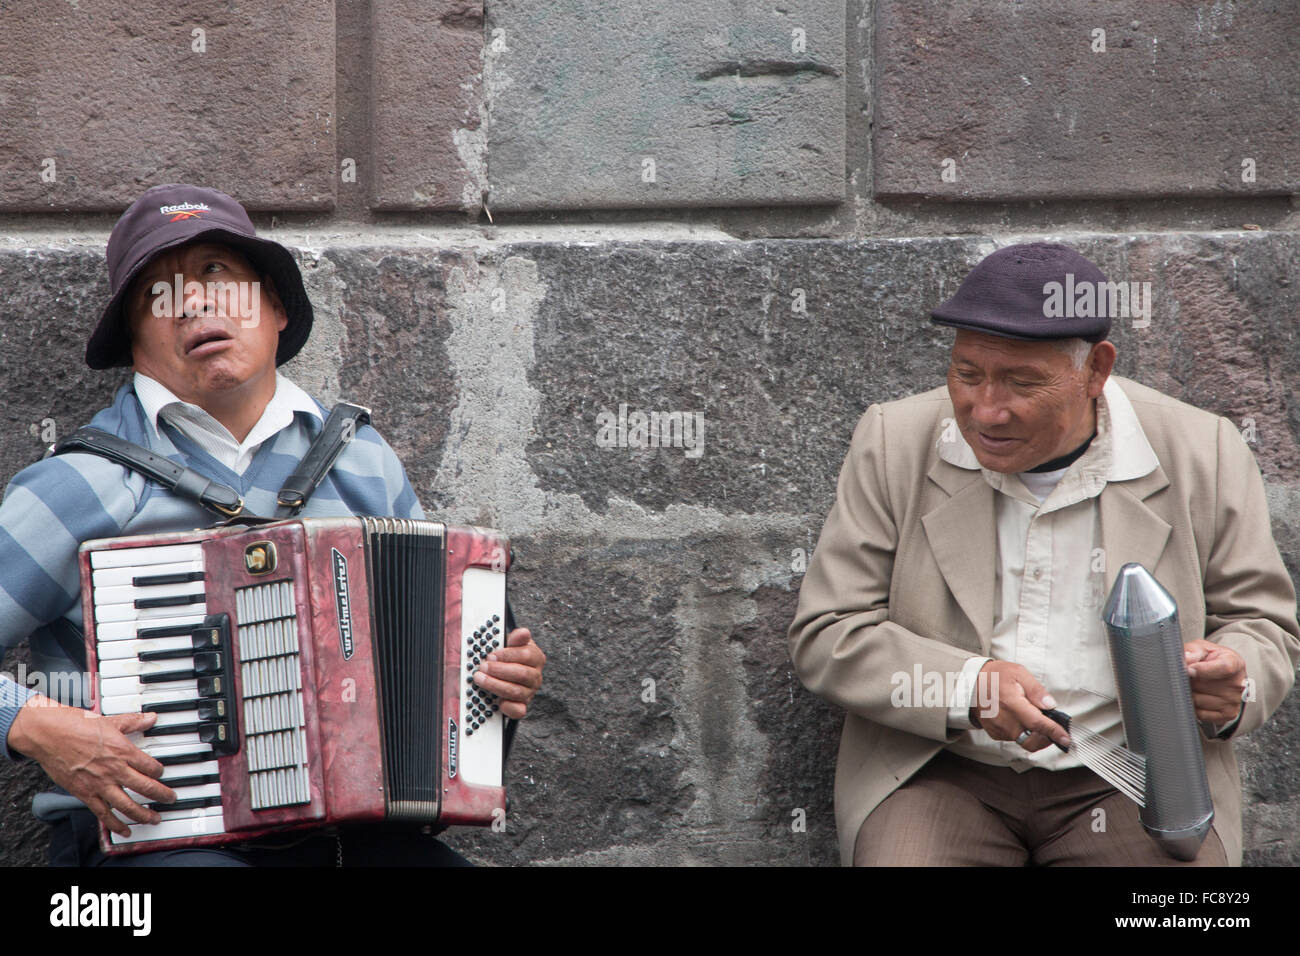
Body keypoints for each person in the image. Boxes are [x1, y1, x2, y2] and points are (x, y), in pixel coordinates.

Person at [0, 183, 546, 866]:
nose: (194, 301)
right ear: (133, 345)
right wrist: (31, 722)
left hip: (363, 838)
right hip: (162, 843)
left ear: (276, 307)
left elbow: (432, 649)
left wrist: (492, 676)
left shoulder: (360, 460)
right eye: (157, 295)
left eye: (217, 274)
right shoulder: (80, 484)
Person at [788, 242, 1300, 866]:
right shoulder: (895, 441)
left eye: (1023, 382)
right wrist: (964, 686)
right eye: (967, 374)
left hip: (1135, 775)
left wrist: (1235, 680)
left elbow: (1264, 625)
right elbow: (827, 632)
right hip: (941, 768)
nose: (985, 410)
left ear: (1097, 370)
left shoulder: (1204, 450)